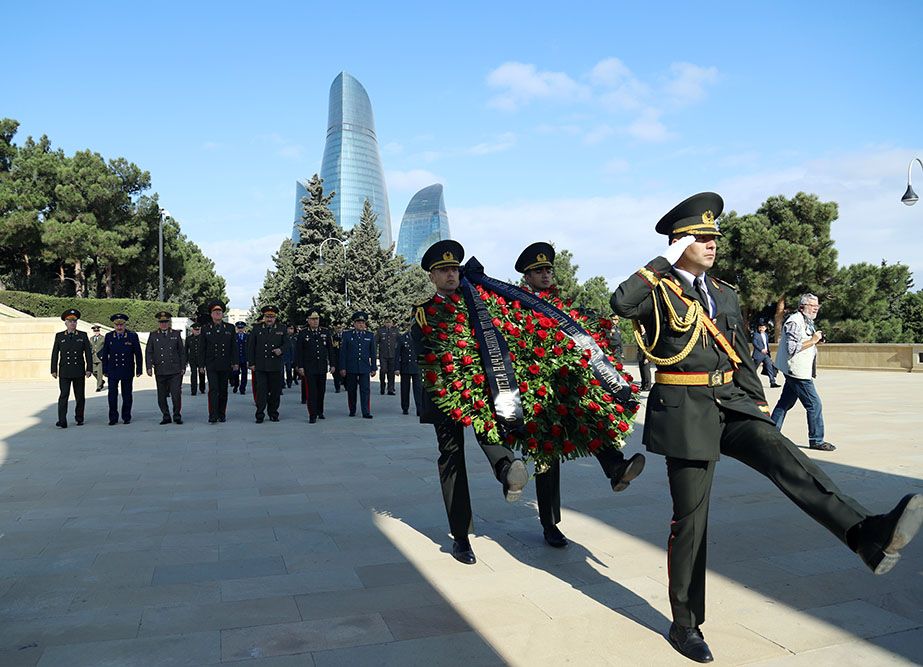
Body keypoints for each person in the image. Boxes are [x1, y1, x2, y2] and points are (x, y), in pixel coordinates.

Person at [611, 191, 923, 663]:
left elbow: (737, 350)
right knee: (691, 521)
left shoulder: (723, 292)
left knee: (788, 459)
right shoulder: (654, 289)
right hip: (685, 411)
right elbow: (619, 303)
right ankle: (685, 625)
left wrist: (754, 398)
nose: (713, 244)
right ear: (679, 242)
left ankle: (866, 535)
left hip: (732, 404)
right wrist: (662, 262)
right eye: (701, 237)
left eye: (715, 236)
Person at [516, 242, 646, 549]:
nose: (546, 274)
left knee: (594, 420)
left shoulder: (563, 306)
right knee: (547, 456)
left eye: (548, 269)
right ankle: (550, 524)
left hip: (572, 383)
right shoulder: (517, 305)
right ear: (527, 277)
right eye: (539, 271)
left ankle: (616, 469)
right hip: (541, 389)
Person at [412, 240, 529, 565]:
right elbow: (424, 358)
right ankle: (461, 537)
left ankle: (508, 471)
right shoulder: (423, 313)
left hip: (481, 390)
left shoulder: (477, 305)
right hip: (444, 397)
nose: (451, 275)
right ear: (432, 277)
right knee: (451, 459)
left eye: (454, 269)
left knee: (491, 431)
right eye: (444, 270)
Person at [771, 295, 833, 450]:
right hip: (797, 371)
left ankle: (770, 434)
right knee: (814, 404)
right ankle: (817, 440)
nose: (816, 308)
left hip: (799, 370)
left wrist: (816, 339)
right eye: (812, 305)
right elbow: (792, 348)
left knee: (785, 403)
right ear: (802, 306)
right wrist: (812, 340)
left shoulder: (806, 321)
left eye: (817, 305)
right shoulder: (794, 322)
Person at [50, 309, 93, 428]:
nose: (72, 323)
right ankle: (62, 420)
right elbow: (55, 353)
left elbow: (88, 353)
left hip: (78, 370)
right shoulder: (59, 336)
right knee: (64, 395)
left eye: (74, 321)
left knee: (79, 396)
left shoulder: (82, 335)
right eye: (70, 321)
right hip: (64, 371)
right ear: (65, 322)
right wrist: (53, 369)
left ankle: (79, 418)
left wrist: (89, 368)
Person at [247, 305, 289, 423]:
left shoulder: (282, 328)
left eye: (272, 317)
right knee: (261, 391)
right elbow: (251, 347)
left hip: (275, 365)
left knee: (275, 392)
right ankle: (260, 414)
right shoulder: (257, 328)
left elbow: (287, 344)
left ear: (275, 317)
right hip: (261, 366)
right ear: (264, 317)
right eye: (267, 316)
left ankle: (273, 413)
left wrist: (281, 350)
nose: (269, 319)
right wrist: (251, 363)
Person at [99, 313, 143, 425]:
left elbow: (138, 353)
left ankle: (126, 416)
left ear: (125, 324)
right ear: (114, 325)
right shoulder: (109, 336)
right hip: (113, 369)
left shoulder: (132, 336)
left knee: (127, 394)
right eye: (117, 325)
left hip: (127, 369)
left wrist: (139, 369)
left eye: (121, 325)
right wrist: (104, 369)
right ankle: (113, 417)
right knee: (112, 395)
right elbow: (105, 354)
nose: (119, 327)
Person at [199, 300, 237, 423]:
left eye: (219, 311)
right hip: (212, 364)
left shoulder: (230, 328)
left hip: (225, 364)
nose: (217, 313)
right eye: (215, 311)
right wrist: (201, 365)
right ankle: (213, 414)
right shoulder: (205, 328)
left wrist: (235, 362)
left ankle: (222, 413)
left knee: (223, 390)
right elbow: (202, 348)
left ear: (222, 313)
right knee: (213, 390)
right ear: (211, 314)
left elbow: (233, 347)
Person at [145, 310, 186, 425]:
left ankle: (177, 415)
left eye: (166, 322)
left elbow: (181, 352)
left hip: (175, 370)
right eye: (162, 322)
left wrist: (183, 366)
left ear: (169, 322)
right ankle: (166, 415)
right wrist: (148, 366)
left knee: (176, 394)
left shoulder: (175, 334)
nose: (164, 324)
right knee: (161, 396)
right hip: (160, 369)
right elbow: (149, 352)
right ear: (159, 323)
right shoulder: (153, 335)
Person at [295, 308, 335, 423]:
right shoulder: (303, 333)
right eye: (312, 319)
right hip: (309, 367)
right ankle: (312, 414)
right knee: (312, 391)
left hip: (321, 366)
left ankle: (320, 411)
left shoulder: (325, 332)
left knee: (321, 390)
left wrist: (332, 364)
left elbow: (330, 350)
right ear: (308, 320)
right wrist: (300, 366)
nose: (315, 321)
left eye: (317, 319)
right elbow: (299, 351)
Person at [339, 312, 377, 418]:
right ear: (354, 324)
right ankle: (352, 409)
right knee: (351, 390)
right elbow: (343, 353)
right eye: (358, 322)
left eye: (362, 322)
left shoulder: (369, 335)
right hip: (351, 367)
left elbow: (373, 353)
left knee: (365, 390)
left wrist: (373, 367)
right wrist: (342, 367)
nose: (361, 324)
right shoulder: (347, 335)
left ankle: (366, 411)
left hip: (364, 367)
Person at [395, 319, 422, 416]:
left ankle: (420, 408)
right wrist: (397, 368)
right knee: (405, 389)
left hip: (416, 367)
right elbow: (397, 354)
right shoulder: (402, 338)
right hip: (405, 367)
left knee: (418, 389)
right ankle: (405, 407)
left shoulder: (419, 338)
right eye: (409, 326)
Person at [752, 320, 781, 389]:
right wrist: (761, 349)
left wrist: (768, 353)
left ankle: (772, 382)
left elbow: (766, 345)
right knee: (753, 369)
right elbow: (754, 343)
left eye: (763, 327)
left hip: (766, 355)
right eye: (760, 327)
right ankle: (749, 382)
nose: (761, 329)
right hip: (758, 354)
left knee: (770, 367)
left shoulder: (766, 335)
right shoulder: (756, 334)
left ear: (765, 328)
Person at [375, 317, 399, 395]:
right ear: (384, 323)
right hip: (383, 355)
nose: (388, 324)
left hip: (393, 354)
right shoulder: (380, 330)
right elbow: (375, 342)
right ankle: (382, 386)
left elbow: (399, 342)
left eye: (390, 322)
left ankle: (390, 389)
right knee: (383, 370)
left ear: (392, 323)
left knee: (391, 372)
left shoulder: (395, 330)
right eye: (387, 322)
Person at [185, 322, 206, 396]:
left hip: (201, 359)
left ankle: (202, 388)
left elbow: (206, 349)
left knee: (202, 373)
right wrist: (186, 360)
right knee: (193, 374)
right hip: (192, 359)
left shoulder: (204, 338)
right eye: (195, 329)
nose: (197, 331)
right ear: (192, 330)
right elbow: (186, 350)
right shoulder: (189, 339)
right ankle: (193, 390)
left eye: (198, 329)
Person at [231, 322, 249, 395]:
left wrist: (249, 360)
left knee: (244, 374)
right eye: (239, 328)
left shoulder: (248, 336)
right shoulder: (233, 337)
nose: (240, 330)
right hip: (236, 359)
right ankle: (236, 385)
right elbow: (231, 349)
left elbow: (249, 349)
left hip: (245, 359)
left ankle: (242, 388)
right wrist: (232, 361)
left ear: (244, 328)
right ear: (236, 328)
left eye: (242, 328)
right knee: (235, 374)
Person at [637, 324, 653, 392]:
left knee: (646, 372)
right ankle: (643, 385)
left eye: (642, 327)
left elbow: (648, 348)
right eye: (640, 327)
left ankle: (648, 386)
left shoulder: (646, 336)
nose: (641, 328)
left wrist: (647, 358)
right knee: (642, 371)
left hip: (645, 356)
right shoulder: (639, 336)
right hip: (640, 356)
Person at [89, 324, 105, 392]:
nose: (96, 332)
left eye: (97, 330)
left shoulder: (103, 338)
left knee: (99, 373)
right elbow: (90, 347)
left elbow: (105, 347)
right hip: (93, 357)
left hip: (100, 358)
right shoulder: (91, 338)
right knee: (93, 371)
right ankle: (101, 381)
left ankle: (98, 387)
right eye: (95, 331)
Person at [330, 324, 343, 393]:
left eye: (340, 328)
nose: (338, 329)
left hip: (344, 357)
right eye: (337, 328)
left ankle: (346, 385)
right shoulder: (333, 337)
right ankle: (337, 387)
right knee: (336, 373)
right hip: (336, 357)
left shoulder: (345, 336)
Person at [283, 324, 296, 389]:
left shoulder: (293, 338)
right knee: (281, 371)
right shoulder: (283, 336)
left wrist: (293, 358)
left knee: (289, 370)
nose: (291, 330)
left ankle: (289, 382)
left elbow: (293, 349)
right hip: (282, 356)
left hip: (289, 356)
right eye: (290, 328)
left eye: (292, 329)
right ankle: (282, 383)